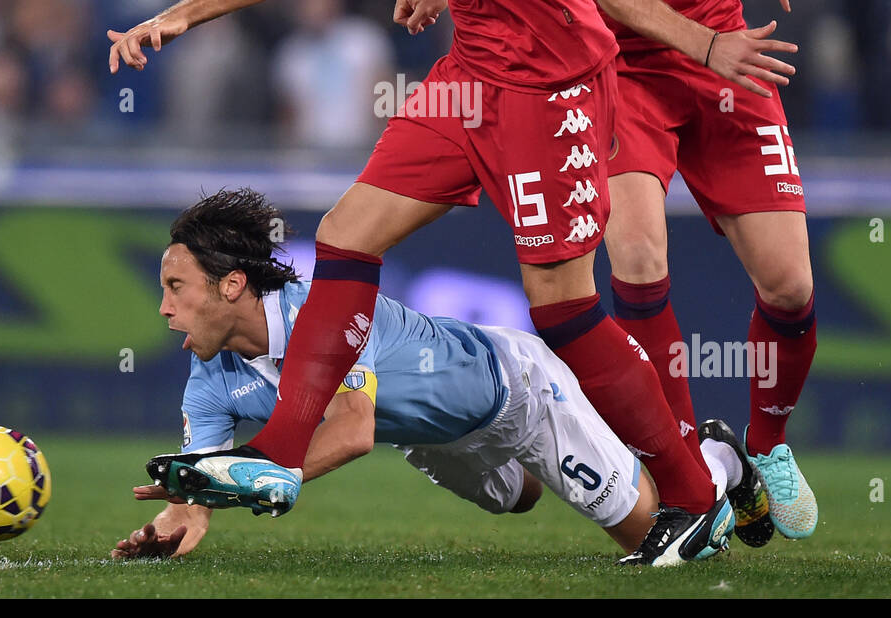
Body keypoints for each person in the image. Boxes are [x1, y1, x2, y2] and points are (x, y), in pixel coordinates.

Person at [107, 0, 730, 564]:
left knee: (562, 308)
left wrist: (184, 12)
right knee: (347, 235)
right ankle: (279, 455)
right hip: (478, 65)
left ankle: (692, 492)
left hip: (551, 77)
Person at [532, 0, 818, 540]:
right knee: (641, 263)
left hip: (727, 65)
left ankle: (765, 447)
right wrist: (708, 45)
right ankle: (693, 470)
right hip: (627, 74)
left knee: (793, 290)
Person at [111, 189, 764, 564]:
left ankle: (716, 463)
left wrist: (267, 473)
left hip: (516, 390)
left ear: (231, 285)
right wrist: (178, 520)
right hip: (434, 439)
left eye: (176, 287)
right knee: (520, 499)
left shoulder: (318, 310)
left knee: (657, 545)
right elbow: (198, 484)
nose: (164, 307)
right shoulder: (207, 380)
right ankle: (600, 452)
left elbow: (353, 428)